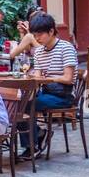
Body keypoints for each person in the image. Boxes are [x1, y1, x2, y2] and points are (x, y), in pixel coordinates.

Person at [19, 13, 79, 158]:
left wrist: (48, 79)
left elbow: (68, 78)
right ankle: (38, 134)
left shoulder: (66, 48)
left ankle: (32, 146)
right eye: (34, 35)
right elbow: (38, 77)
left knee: (27, 105)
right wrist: (31, 77)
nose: (37, 38)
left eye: (40, 34)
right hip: (46, 92)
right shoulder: (39, 52)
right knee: (18, 104)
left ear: (51, 31)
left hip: (63, 95)